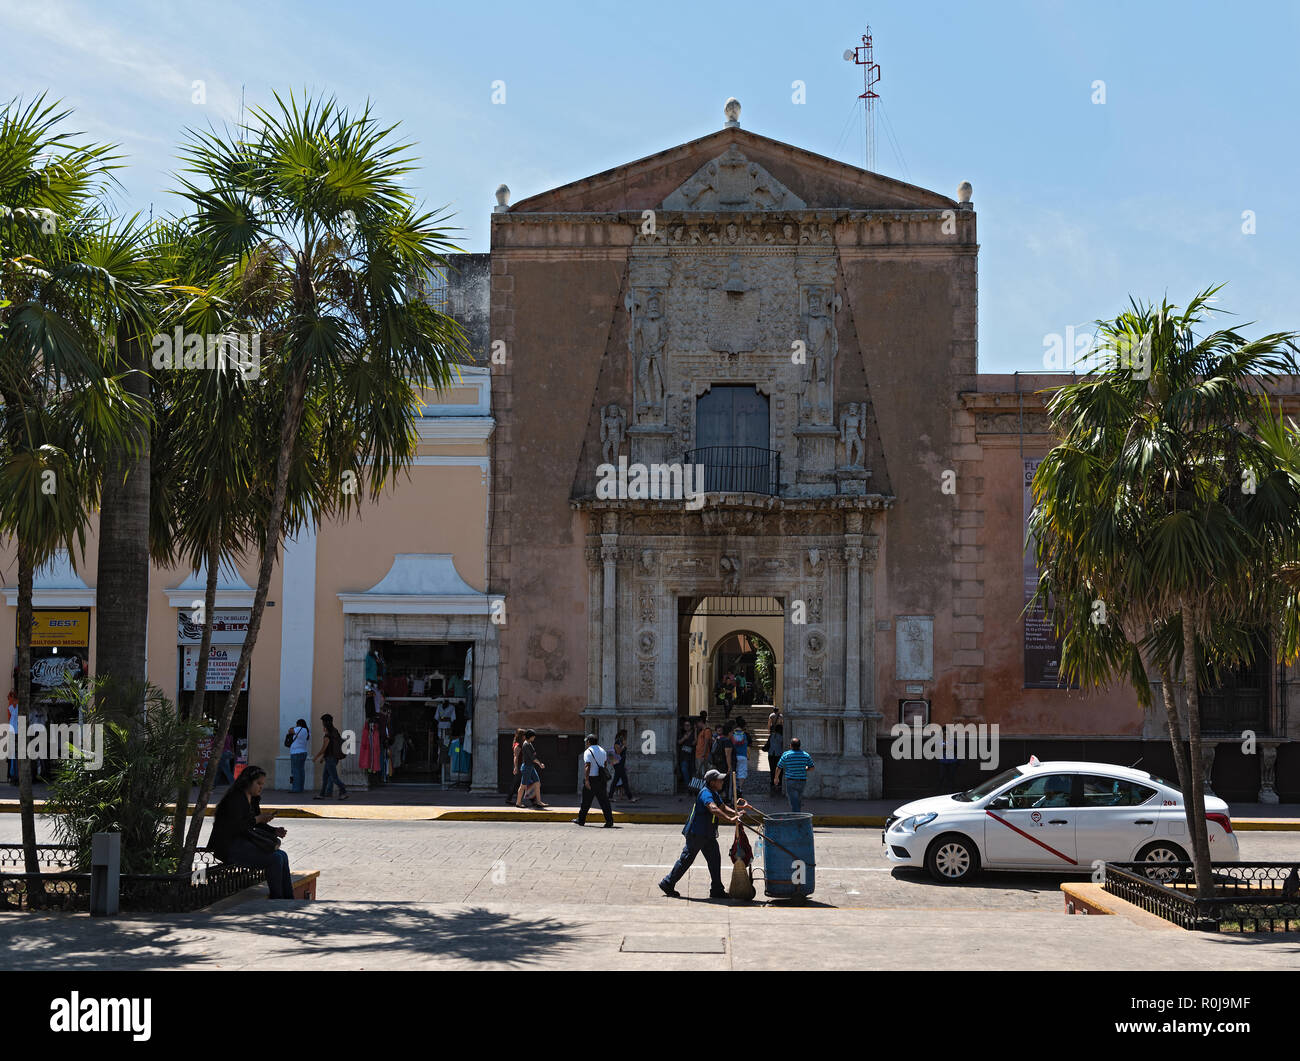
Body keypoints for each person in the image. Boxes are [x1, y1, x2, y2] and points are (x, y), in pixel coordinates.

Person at [658, 770, 750, 899]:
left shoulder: (714, 792)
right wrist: (729, 819)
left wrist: (735, 813)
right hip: (697, 833)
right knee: (686, 859)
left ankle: (717, 889)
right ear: (712, 782)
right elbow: (713, 808)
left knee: (715, 859)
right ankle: (667, 883)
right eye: (719, 780)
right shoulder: (705, 793)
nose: (722, 782)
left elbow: (722, 807)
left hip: (708, 834)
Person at [209, 765, 294, 900]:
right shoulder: (235, 798)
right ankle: (277, 899)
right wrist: (258, 818)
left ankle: (288, 899)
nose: (261, 787)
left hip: (244, 842)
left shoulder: (253, 798)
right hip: (230, 846)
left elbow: (256, 823)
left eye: (262, 784)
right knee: (275, 859)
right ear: (248, 782)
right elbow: (238, 826)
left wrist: (274, 830)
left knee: (282, 855)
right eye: (258, 783)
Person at [573, 734, 614, 827]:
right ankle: (609, 821)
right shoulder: (602, 751)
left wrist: (587, 780)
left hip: (591, 779)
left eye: (586, 742)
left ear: (588, 742)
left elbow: (587, 766)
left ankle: (581, 820)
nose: (586, 743)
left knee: (585, 802)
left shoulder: (588, 751)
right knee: (604, 802)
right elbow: (604, 764)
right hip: (601, 779)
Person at [313, 713, 349, 800]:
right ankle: (322, 794)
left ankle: (343, 791)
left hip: (330, 759)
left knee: (334, 778)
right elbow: (330, 747)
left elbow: (324, 748)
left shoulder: (328, 735)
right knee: (325, 777)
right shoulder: (335, 731)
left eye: (323, 722)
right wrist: (323, 757)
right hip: (333, 758)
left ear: (324, 723)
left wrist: (316, 757)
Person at [774, 737, 815, 813]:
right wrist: (805, 769)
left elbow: (779, 767)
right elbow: (812, 767)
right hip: (802, 781)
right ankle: (798, 815)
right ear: (799, 745)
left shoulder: (786, 755)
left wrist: (776, 778)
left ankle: (797, 817)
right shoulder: (806, 755)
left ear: (791, 745)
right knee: (798, 801)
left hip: (791, 782)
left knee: (793, 802)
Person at [515, 730, 548, 808]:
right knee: (523, 786)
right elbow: (532, 757)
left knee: (537, 783)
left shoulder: (529, 744)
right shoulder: (526, 745)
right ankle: (518, 803)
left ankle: (538, 802)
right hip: (527, 767)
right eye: (533, 736)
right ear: (530, 737)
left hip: (531, 767)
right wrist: (540, 764)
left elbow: (533, 756)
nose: (534, 738)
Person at [607, 729, 637, 802]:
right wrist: (623, 746)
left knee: (616, 781)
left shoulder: (620, 741)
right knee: (624, 781)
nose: (626, 736)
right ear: (623, 735)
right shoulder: (618, 742)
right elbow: (618, 752)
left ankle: (610, 796)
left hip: (620, 765)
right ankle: (630, 797)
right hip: (618, 765)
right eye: (626, 735)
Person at [286, 717, 310, 793]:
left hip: (296, 753)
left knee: (295, 771)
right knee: (301, 771)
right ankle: (301, 788)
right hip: (303, 752)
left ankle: (296, 789)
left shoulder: (299, 729)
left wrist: (293, 727)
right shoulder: (306, 731)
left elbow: (290, 730)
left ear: (298, 724)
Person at [730, 717, 751, 799]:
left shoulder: (732, 734)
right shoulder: (745, 735)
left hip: (734, 755)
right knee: (742, 773)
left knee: (734, 772)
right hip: (743, 755)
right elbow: (749, 745)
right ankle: (740, 788)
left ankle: (734, 788)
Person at [766, 707, 784, 795]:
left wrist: (769, 730)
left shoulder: (771, 715)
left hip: (771, 753)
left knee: (772, 768)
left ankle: (772, 781)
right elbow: (782, 723)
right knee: (779, 768)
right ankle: (779, 781)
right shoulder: (781, 716)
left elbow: (769, 723)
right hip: (779, 754)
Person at [506, 727, 525, 805]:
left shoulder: (520, 744)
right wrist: (516, 767)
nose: (525, 736)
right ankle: (509, 799)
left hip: (521, 765)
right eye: (524, 735)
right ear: (521, 736)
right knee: (516, 783)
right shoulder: (518, 745)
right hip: (519, 766)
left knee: (519, 783)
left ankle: (510, 799)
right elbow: (516, 757)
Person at [677, 718, 695, 791]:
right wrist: (684, 738)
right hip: (683, 756)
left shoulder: (694, 733)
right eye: (685, 725)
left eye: (688, 725)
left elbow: (695, 742)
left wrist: (695, 731)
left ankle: (693, 787)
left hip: (692, 755)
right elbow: (679, 742)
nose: (686, 727)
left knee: (692, 771)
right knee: (684, 770)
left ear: (691, 726)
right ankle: (688, 787)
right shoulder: (682, 733)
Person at [693, 714, 712, 779]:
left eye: (697, 723)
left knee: (703, 773)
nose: (697, 725)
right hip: (699, 754)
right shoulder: (701, 731)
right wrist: (695, 730)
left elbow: (706, 743)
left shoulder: (707, 731)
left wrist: (703, 754)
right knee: (699, 772)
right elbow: (696, 741)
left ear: (701, 722)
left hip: (703, 755)